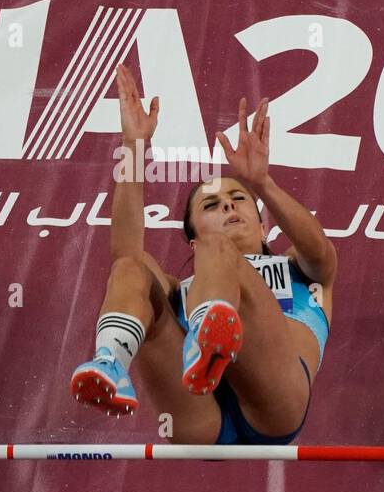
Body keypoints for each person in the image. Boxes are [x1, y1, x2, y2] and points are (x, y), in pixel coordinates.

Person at [69, 64, 336, 445]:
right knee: (134, 265)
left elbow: (319, 250)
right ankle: (111, 359)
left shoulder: (300, 270)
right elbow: (125, 257)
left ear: (263, 227)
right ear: (191, 241)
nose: (228, 207)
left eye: (237, 198)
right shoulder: (180, 288)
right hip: (197, 415)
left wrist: (262, 183)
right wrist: (134, 146)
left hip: (275, 407)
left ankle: (208, 341)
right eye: (211, 205)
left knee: (223, 253)